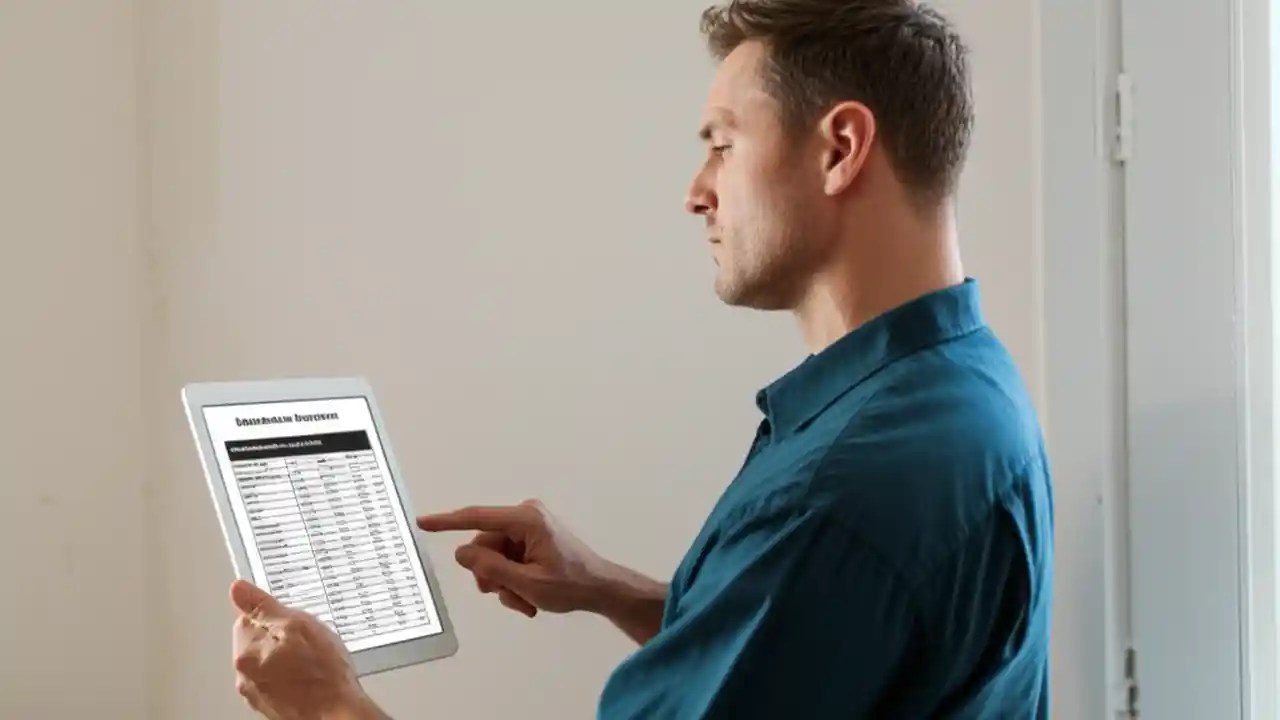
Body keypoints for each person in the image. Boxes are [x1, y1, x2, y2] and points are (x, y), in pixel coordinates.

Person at [227, 0, 1054, 717]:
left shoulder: (838, 493)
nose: (696, 190)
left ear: (840, 147)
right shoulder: (963, 382)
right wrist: (609, 588)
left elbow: (818, 578)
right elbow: (828, 653)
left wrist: (330, 705)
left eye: (723, 145)